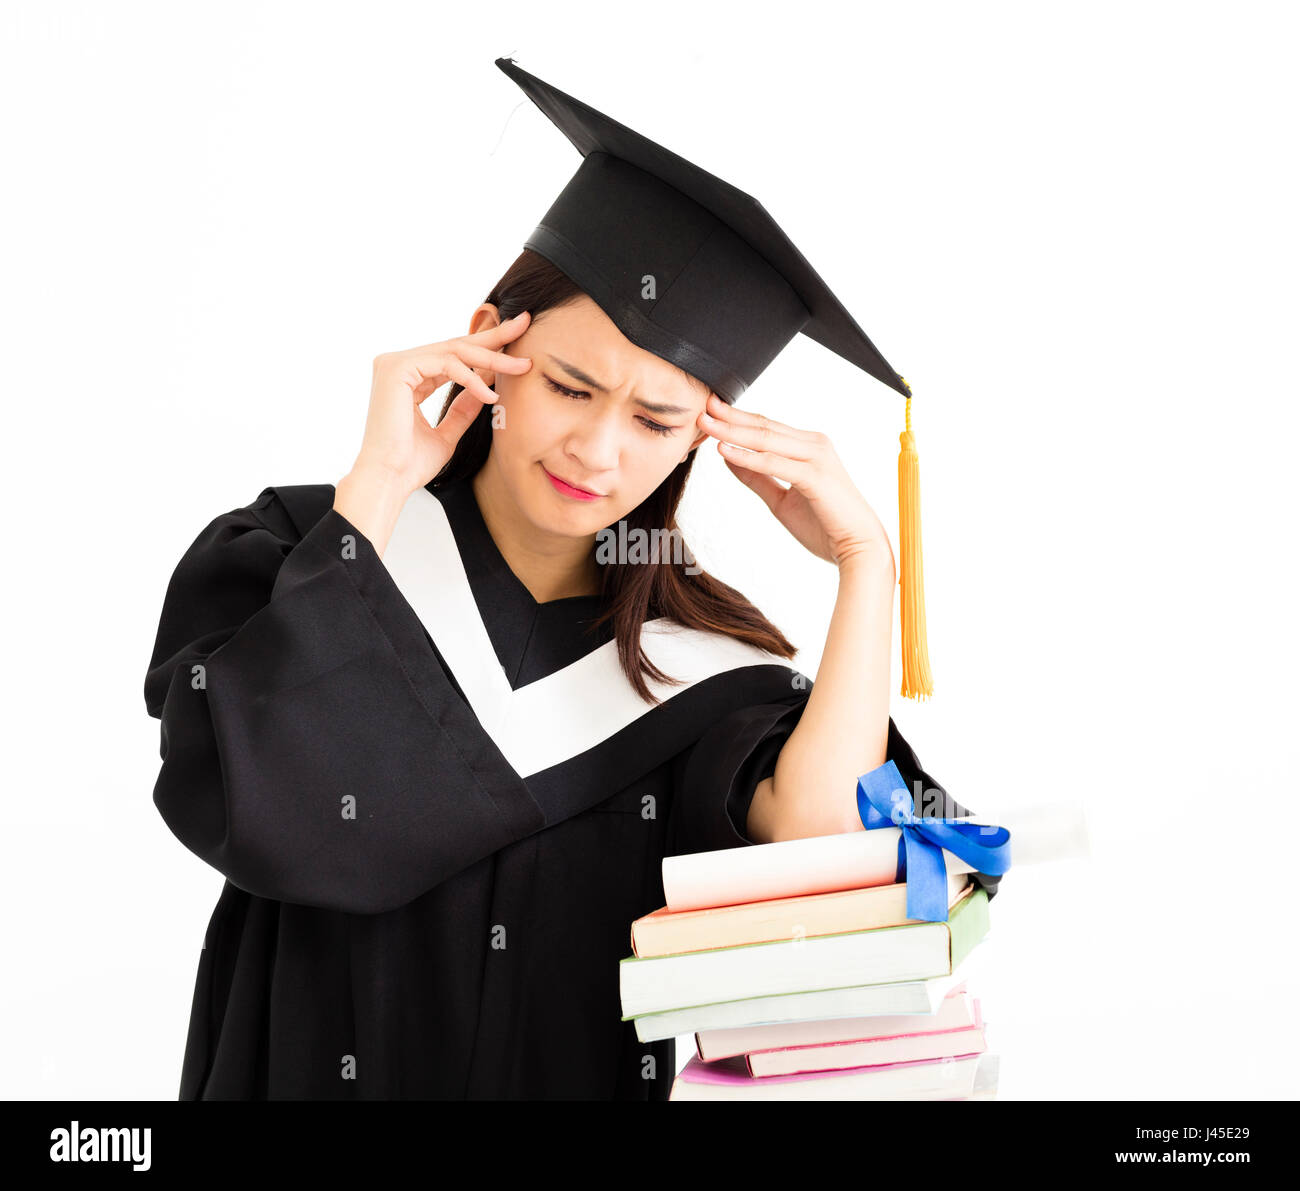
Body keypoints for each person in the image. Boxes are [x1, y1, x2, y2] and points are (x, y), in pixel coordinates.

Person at [142, 60, 1000, 1101]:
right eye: (568, 385)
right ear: (494, 343)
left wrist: (868, 568)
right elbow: (237, 800)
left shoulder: (699, 679)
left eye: (654, 420)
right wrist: (371, 489)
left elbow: (818, 848)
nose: (597, 449)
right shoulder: (295, 548)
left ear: (700, 439)